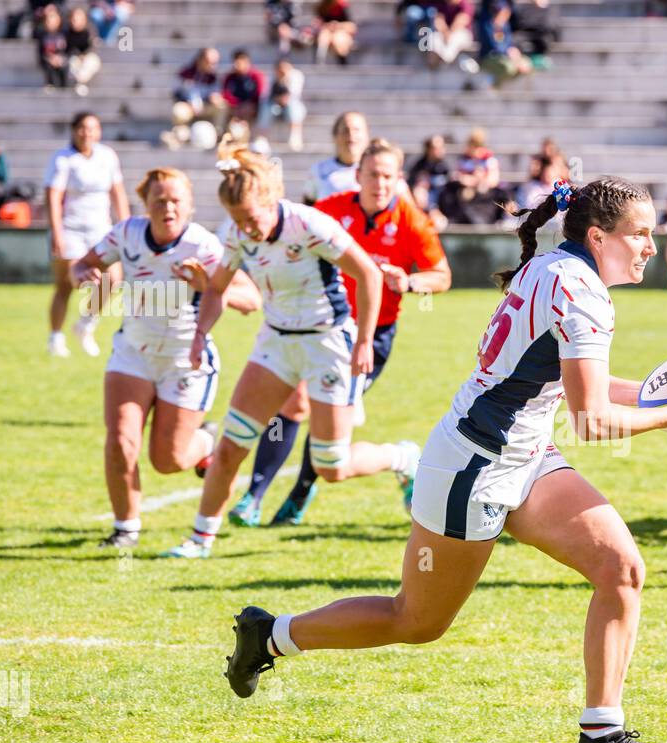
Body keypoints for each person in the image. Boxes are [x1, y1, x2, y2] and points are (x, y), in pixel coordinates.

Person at [220, 176, 667, 743]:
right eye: (641, 234)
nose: (652, 246)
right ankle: (269, 636)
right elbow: (591, 419)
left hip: (524, 451)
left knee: (621, 569)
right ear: (599, 236)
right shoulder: (582, 290)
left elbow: (568, 381)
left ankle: (603, 736)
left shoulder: (559, 269)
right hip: (476, 465)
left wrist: (663, 394)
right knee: (415, 620)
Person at [163, 141, 416, 559]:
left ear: (269, 199)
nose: (246, 229)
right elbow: (216, 290)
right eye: (237, 221)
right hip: (276, 341)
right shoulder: (237, 236)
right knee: (231, 445)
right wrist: (198, 333)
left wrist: (365, 340)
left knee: (330, 466)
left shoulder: (309, 224)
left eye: (251, 219)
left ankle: (402, 457)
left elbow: (369, 275)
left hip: (328, 343)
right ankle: (199, 540)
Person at [230, 139, 453, 529]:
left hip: (369, 338)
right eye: (373, 175)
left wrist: (410, 282)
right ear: (358, 175)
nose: (380, 184)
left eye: (388, 176)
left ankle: (300, 493)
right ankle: (256, 494)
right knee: (293, 406)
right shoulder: (330, 210)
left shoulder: (412, 220)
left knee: (314, 419)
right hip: (315, 329)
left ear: (398, 179)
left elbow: (442, 276)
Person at [71, 168, 262, 549]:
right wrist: (84, 275)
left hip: (185, 361)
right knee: (121, 441)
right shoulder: (126, 233)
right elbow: (83, 263)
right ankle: (125, 528)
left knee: (168, 459)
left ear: (189, 206)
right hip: (133, 355)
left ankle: (205, 443)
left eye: (176, 201)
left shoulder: (204, 246)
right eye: (160, 200)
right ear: (147, 204)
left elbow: (251, 299)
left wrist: (207, 285)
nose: (168, 208)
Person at [44, 112, 129, 357]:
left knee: (113, 278)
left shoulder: (107, 156)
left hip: (100, 230)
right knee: (68, 284)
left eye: (92, 128)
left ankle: (85, 324)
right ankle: (55, 337)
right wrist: (57, 233)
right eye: (82, 128)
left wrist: (125, 227)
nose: (87, 133)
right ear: (73, 130)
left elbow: (118, 193)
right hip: (70, 229)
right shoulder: (63, 159)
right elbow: (53, 197)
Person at [164, 48, 226, 150]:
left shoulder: (215, 77)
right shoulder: (185, 74)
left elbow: (218, 94)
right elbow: (175, 92)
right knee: (178, 110)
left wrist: (213, 98)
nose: (212, 66)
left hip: (206, 107)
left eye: (214, 63)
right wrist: (187, 102)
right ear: (200, 60)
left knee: (222, 106)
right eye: (209, 62)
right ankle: (181, 135)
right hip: (189, 108)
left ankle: (217, 134)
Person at [305, 111, 369, 204]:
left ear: (366, 135)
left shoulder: (376, 172)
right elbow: (308, 203)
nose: (351, 135)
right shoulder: (319, 169)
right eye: (345, 130)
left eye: (356, 129)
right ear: (335, 136)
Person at [262, 58, 306, 153]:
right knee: (266, 106)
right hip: (275, 107)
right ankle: (263, 137)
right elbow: (267, 96)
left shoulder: (296, 76)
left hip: (294, 106)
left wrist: (284, 80)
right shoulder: (272, 78)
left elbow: (294, 95)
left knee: (293, 106)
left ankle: (295, 136)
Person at [408, 133, 451, 222]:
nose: (441, 150)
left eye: (442, 147)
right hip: (426, 207)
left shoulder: (447, 165)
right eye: (437, 148)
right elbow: (412, 185)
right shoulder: (419, 166)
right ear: (429, 149)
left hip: (445, 207)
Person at [222, 50, 267, 130]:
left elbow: (260, 94)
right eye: (235, 62)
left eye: (239, 63)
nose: (236, 65)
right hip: (235, 108)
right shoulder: (230, 77)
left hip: (251, 108)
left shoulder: (256, 76)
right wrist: (236, 105)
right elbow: (225, 93)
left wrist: (250, 104)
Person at [64, 6, 101, 96]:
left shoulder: (90, 31)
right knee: (72, 62)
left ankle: (79, 83)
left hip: (89, 57)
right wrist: (78, 55)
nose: (75, 21)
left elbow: (93, 47)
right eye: (74, 19)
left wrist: (84, 55)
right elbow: (68, 49)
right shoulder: (67, 32)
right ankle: (79, 84)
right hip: (75, 58)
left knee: (89, 63)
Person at [35, 5, 70, 90]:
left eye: (54, 20)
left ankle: (64, 86)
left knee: (64, 66)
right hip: (48, 59)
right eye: (48, 20)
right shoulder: (42, 34)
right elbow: (41, 52)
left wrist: (60, 58)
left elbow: (68, 49)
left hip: (61, 58)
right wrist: (50, 58)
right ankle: (50, 84)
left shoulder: (64, 33)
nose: (51, 23)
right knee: (48, 66)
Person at [314, 0, 357, 65]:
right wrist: (329, 26)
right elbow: (318, 24)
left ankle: (343, 62)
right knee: (324, 36)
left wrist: (337, 26)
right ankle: (320, 61)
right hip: (327, 33)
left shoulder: (342, 6)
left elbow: (351, 26)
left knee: (339, 37)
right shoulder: (323, 7)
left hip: (341, 32)